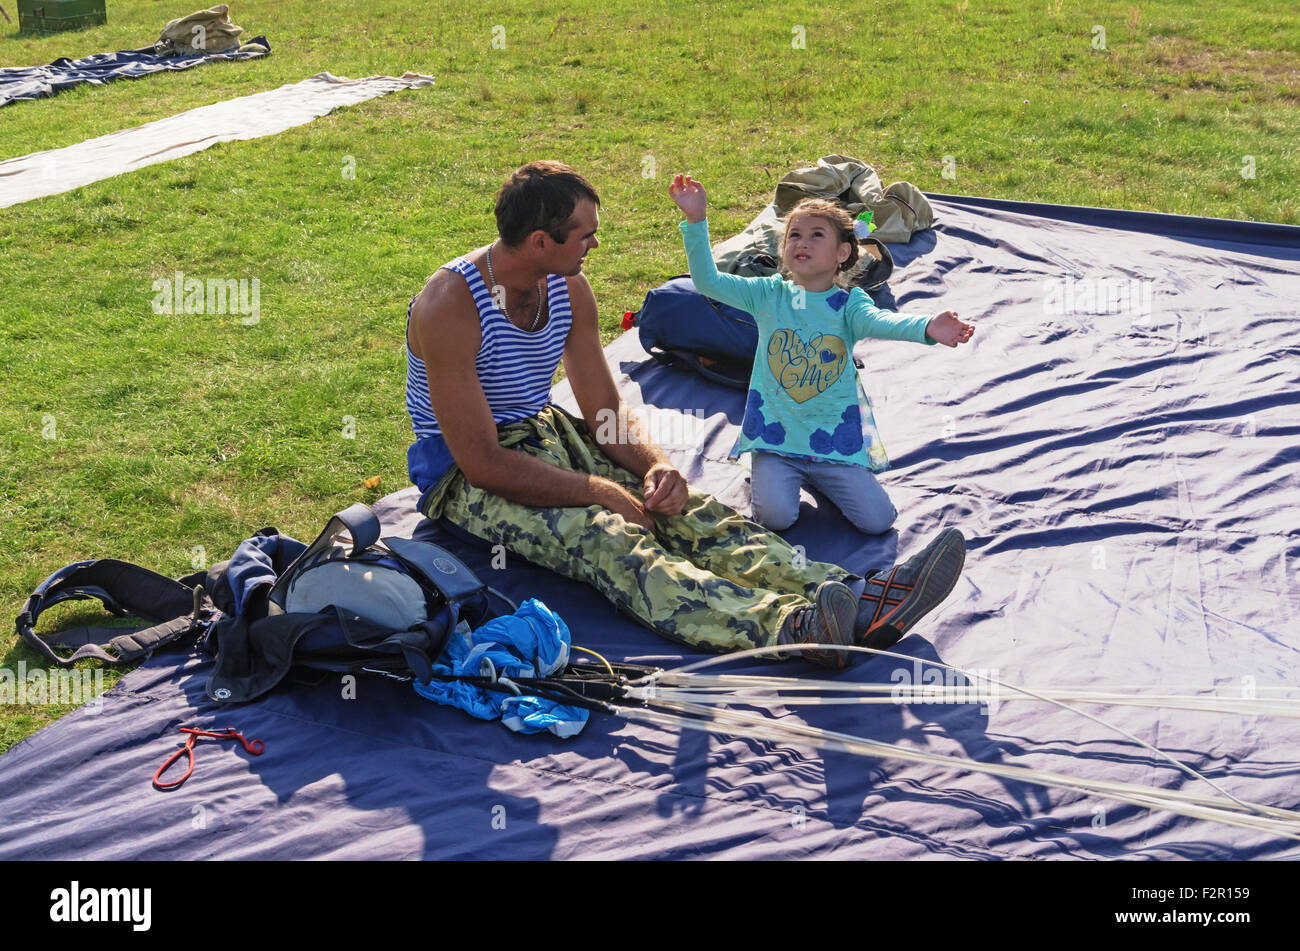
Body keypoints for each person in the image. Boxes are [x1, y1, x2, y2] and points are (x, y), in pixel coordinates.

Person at [404, 160, 965, 668]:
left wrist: (654, 467)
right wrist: (599, 490)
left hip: (544, 435)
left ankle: (854, 597)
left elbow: (602, 407)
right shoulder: (450, 304)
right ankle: (795, 628)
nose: (595, 245)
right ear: (540, 241)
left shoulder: (567, 287)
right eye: (585, 235)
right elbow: (480, 462)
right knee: (609, 537)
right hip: (461, 471)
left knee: (689, 510)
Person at [668, 173, 975, 534]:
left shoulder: (849, 305)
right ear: (784, 248)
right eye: (795, 234)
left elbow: (882, 322)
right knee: (776, 519)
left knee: (879, 522)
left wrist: (927, 326)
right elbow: (708, 282)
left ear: (842, 253)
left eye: (817, 235)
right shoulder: (768, 294)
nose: (803, 242)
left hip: (832, 444)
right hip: (776, 441)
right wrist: (696, 220)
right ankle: (770, 471)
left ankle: (820, 478)